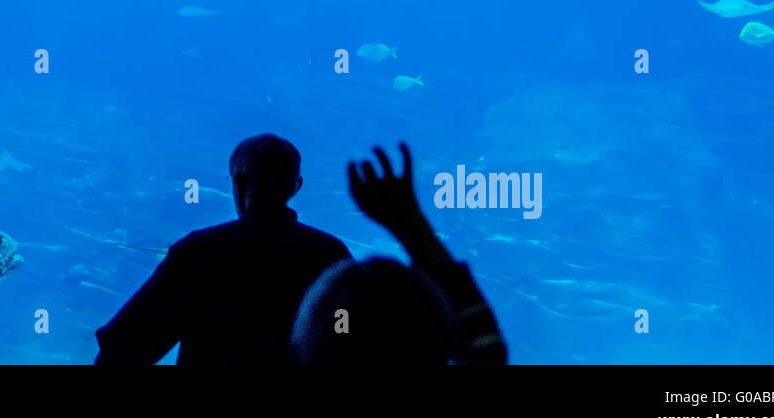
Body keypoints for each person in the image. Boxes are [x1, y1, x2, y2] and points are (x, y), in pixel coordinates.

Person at [94, 133, 351, 364]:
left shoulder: (198, 252)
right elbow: (364, 344)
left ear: (238, 181)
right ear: (296, 185)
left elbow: (122, 349)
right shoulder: (331, 255)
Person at [290, 142, 507, 365]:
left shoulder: (332, 334)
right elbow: (487, 350)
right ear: (440, 342)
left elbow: (337, 332)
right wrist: (411, 225)